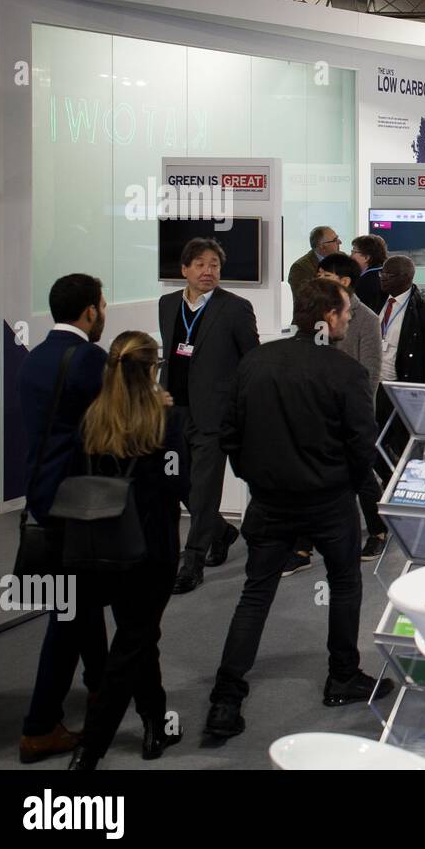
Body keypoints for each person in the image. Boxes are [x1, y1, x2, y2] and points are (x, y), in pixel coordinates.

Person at [207, 280, 392, 739]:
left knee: (255, 594)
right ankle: (342, 675)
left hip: (269, 502)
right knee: (346, 585)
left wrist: (256, 476)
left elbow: (229, 434)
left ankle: (225, 698)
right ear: (328, 317)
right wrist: (343, 483)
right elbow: (362, 447)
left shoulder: (255, 362)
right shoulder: (345, 373)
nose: (349, 321)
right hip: (329, 503)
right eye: (346, 313)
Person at [67, 331, 189, 770]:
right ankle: (91, 750)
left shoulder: (93, 419)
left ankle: (155, 722)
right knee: (132, 644)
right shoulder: (166, 422)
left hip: (104, 545)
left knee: (140, 637)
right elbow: (180, 485)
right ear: (152, 370)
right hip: (152, 551)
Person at [16, 274, 110, 765]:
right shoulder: (91, 361)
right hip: (80, 502)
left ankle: (102, 691)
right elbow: (117, 426)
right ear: (90, 312)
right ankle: (38, 726)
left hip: (43, 498)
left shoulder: (33, 358)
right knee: (70, 615)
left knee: (81, 602)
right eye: (102, 303)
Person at [159, 238, 259, 594]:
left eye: (214, 264)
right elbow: (172, 354)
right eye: (200, 264)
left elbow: (253, 361)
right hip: (174, 412)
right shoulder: (167, 304)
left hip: (215, 415)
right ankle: (220, 531)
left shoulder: (235, 308)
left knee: (203, 489)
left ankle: (192, 562)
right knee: (178, 482)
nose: (208, 271)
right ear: (184, 270)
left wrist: (241, 408)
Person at [311, 252, 387, 566]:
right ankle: (303, 546)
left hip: (351, 411)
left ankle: (378, 529)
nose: (318, 281)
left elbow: (370, 372)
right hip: (318, 407)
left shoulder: (366, 318)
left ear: (344, 282)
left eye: (325, 277)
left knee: (361, 474)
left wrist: (356, 412)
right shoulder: (314, 313)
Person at [375, 254, 425, 485]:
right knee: (375, 444)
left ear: (405, 278)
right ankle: (389, 485)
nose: (383, 278)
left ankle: (411, 498)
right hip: (377, 387)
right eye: (382, 273)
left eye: (389, 274)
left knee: (409, 448)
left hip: (407, 389)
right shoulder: (376, 303)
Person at [288, 226, 342, 300]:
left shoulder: (343, 257)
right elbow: (304, 301)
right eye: (335, 240)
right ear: (322, 246)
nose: (340, 242)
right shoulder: (300, 268)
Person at [350, 234, 389, 313]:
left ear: (366, 257)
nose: (350, 256)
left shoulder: (366, 282)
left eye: (354, 252)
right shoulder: (383, 273)